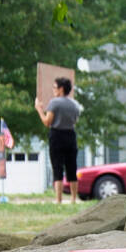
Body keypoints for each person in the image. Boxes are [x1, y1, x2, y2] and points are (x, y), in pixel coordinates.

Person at [35, 77, 82, 205]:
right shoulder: (75, 104)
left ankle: (59, 199)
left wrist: (39, 109)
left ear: (61, 89)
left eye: (55, 87)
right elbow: (75, 120)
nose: (53, 90)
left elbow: (47, 122)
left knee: (57, 168)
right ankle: (73, 198)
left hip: (57, 135)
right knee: (72, 168)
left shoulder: (54, 103)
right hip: (71, 135)